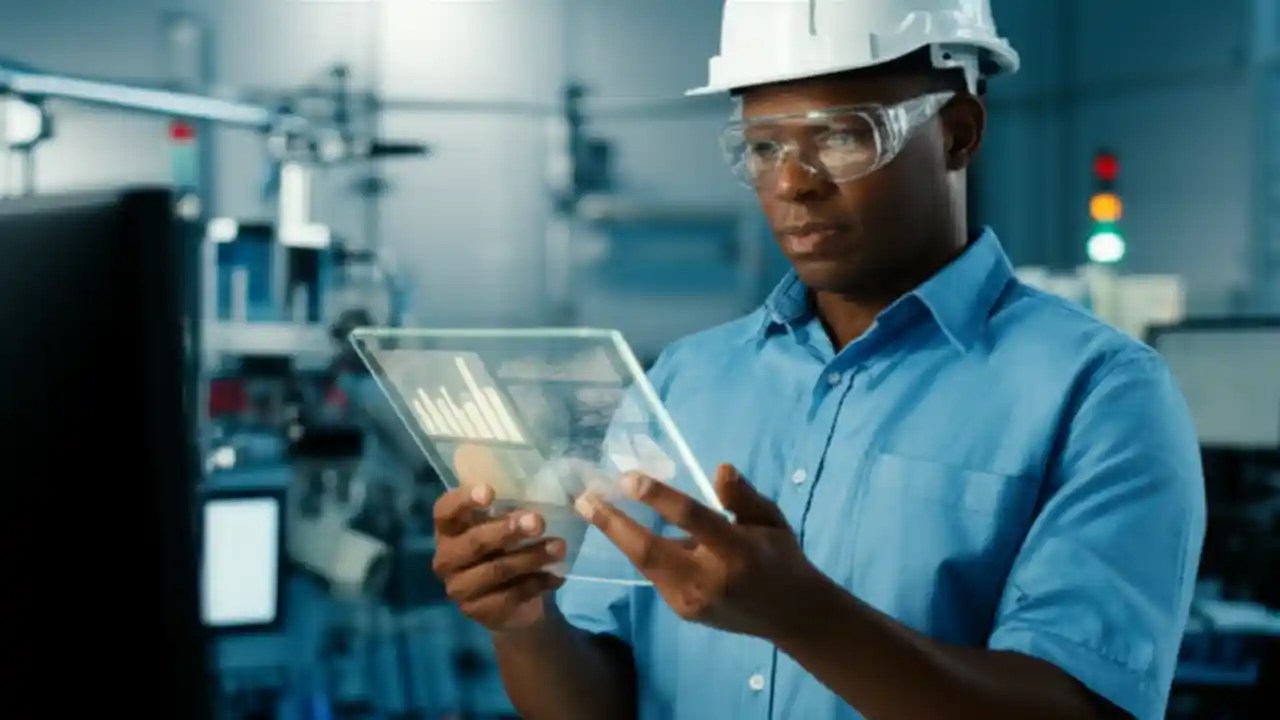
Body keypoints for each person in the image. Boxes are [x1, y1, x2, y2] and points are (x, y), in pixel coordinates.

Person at [429, 2, 1206, 719]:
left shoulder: (1099, 394)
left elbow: (1079, 710)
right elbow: (601, 701)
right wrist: (524, 621)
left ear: (960, 131)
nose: (794, 184)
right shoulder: (686, 381)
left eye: (843, 134)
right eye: (764, 147)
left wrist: (805, 618)